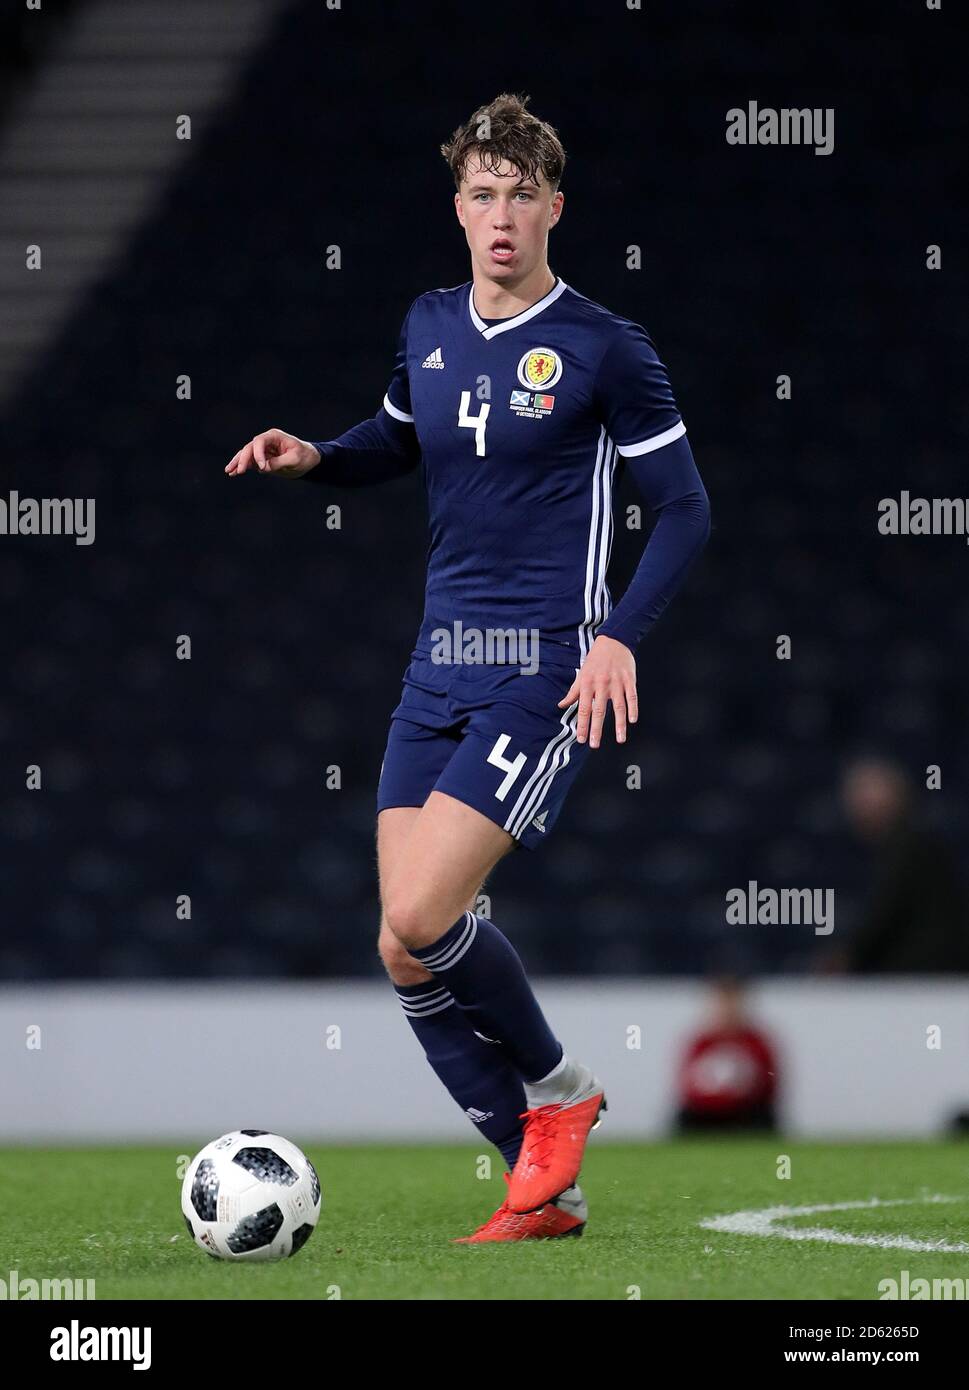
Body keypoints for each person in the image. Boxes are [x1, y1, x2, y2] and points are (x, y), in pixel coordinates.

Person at [226, 93, 710, 1241]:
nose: (501, 216)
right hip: (435, 665)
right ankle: (544, 1188)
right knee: (400, 945)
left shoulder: (604, 344)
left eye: (521, 195)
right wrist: (316, 459)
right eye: (481, 194)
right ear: (458, 207)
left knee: (422, 904)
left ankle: (562, 1086)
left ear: (555, 207)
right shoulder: (429, 322)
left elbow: (685, 509)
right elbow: (395, 442)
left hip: (540, 667)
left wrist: (618, 634)